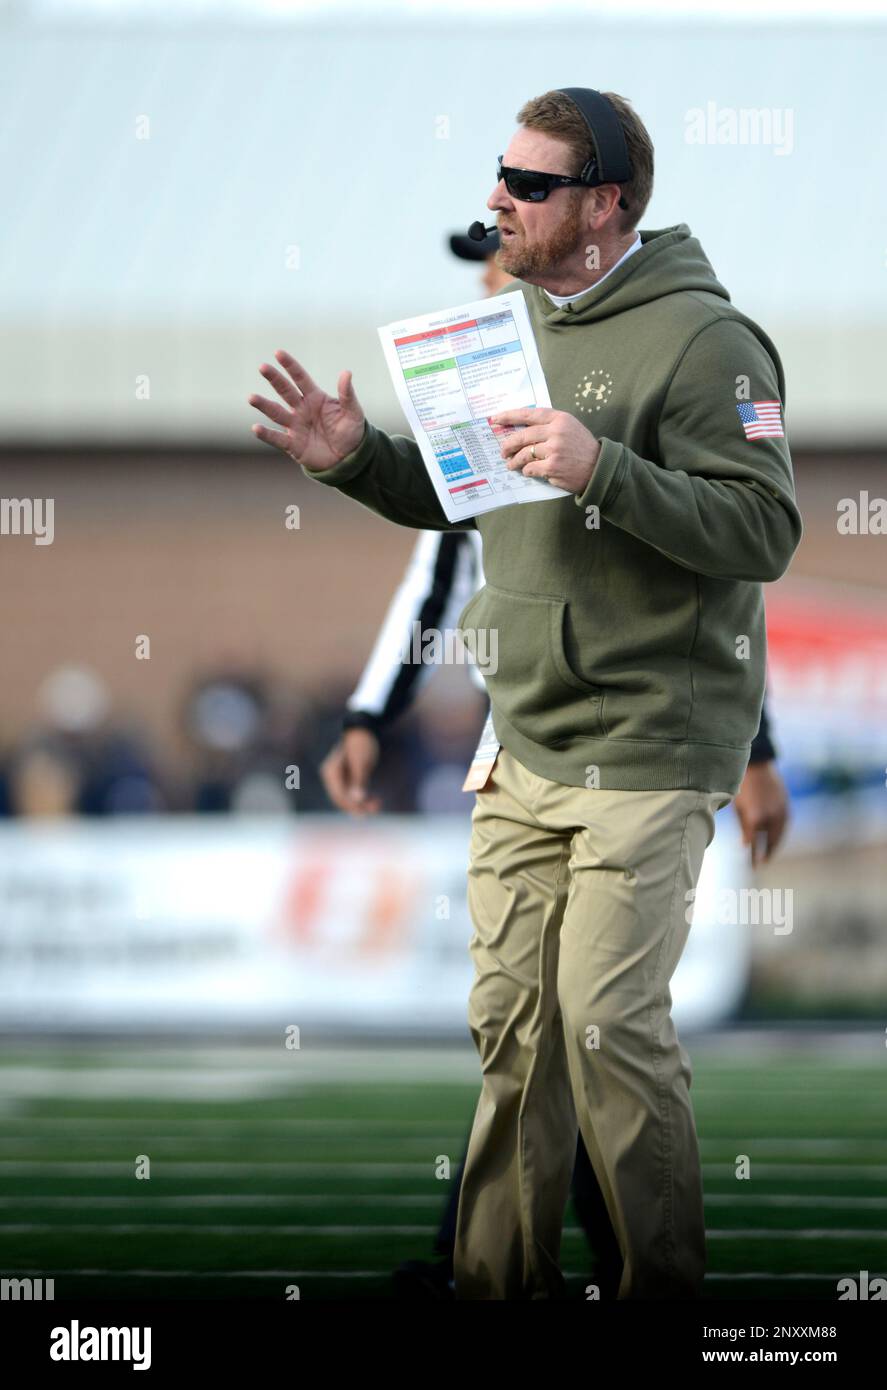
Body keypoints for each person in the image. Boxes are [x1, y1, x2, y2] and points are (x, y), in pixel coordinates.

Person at [249, 87, 803, 1299]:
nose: (497, 199)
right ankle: (492, 1289)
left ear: (606, 203)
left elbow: (765, 531)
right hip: (522, 747)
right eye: (498, 173)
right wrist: (351, 457)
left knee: (608, 1027)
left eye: (528, 183)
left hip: (650, 747)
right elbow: (455, 501)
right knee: (513, 1038)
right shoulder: (497, 330)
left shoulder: (712, 342)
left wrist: (605, 466)